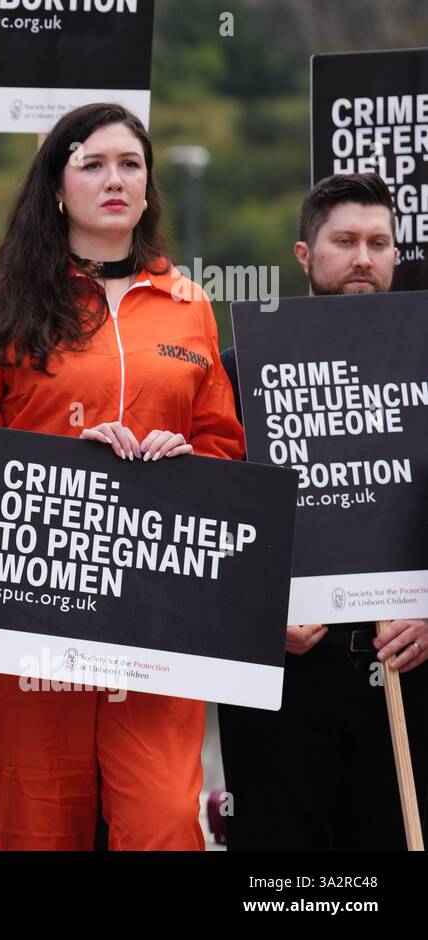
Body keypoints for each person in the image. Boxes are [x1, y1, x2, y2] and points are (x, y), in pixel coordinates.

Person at [0, 103, 244, 850]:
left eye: (130, 164)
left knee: (164, 821)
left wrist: (186, 463)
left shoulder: (191, 305)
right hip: (35, 612)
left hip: (158, 614)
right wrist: (64, 465)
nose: (114, 179)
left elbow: (225, 449)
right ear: (57, 188)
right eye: (92, 164)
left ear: (149, 186)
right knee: (37, 827)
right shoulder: (5, 300)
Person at [218, 172, 428, 849]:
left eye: (379, 242)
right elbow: (206, 525)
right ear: (305, 256)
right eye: (344, 241)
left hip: (407, 675)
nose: (364, 257)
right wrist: (254, 614)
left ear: (399, 254)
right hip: (281, 679)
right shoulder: (237, 370)